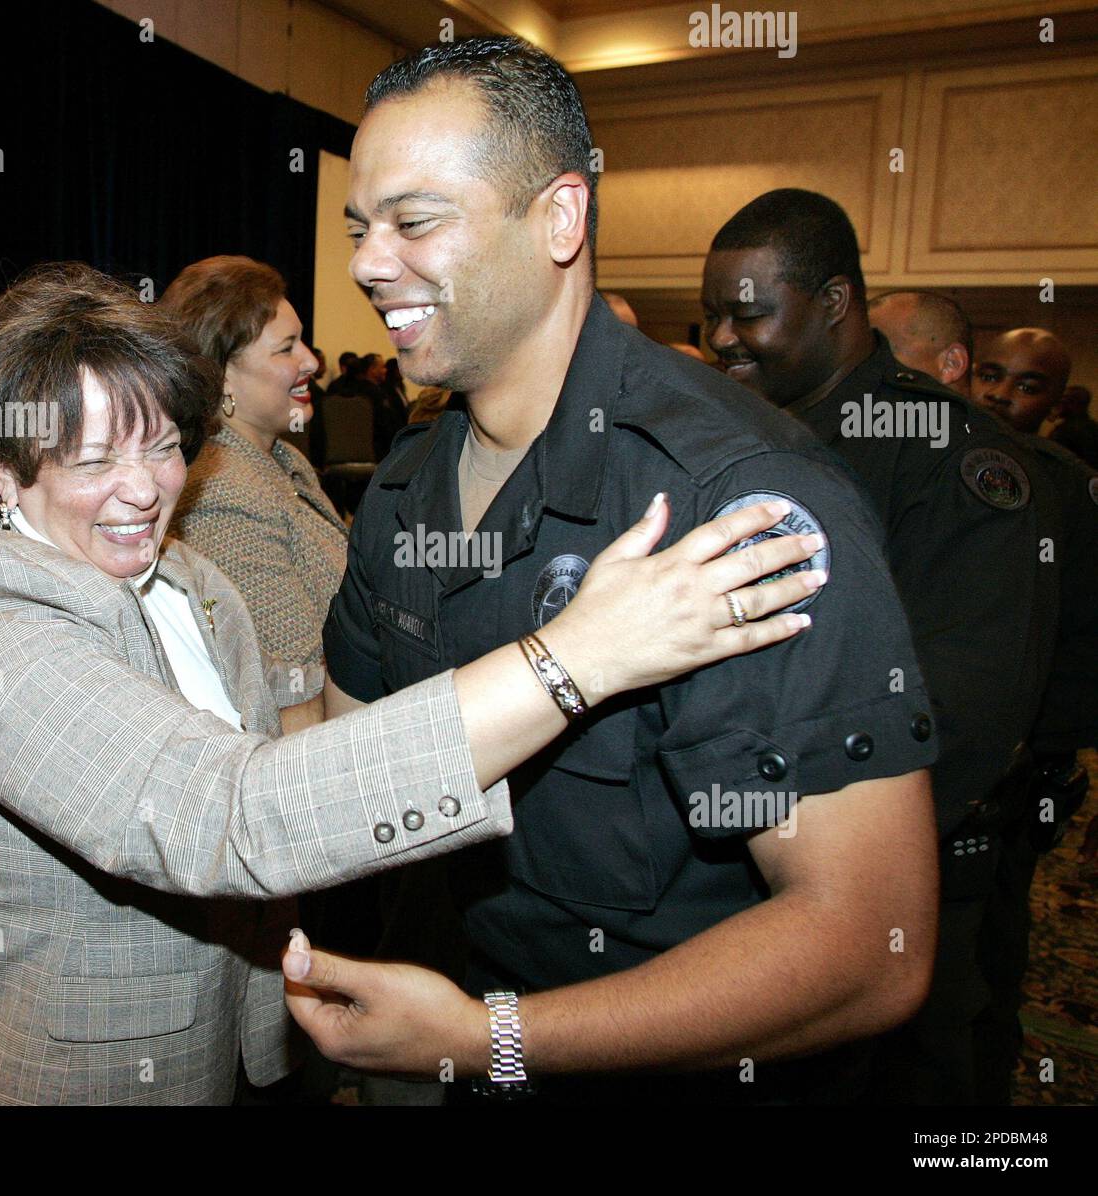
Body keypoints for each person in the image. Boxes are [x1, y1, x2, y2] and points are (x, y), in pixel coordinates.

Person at [0, 261, 817, 1105]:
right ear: (5, 470)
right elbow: (225, 815)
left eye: (164, 446)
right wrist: (580, 658)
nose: (143, 491)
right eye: (93, 461)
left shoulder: (192, 582)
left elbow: (286, 753)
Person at [285, 37, 939, 1106]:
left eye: (415, 221)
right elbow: (346, 758)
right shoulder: (407, 483)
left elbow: (868, 942)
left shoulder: (735, 501)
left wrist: (492, 1038)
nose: (365, 262)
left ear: (558, 218)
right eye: (361, 229)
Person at [704, 192, 1059, 1104]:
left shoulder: (947, 458)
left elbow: (966, 706)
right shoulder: (732, 441)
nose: (722, 338)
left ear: (831, 303)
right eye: (711, 315)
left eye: (749, 312)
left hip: (896, 881)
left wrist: (793, 833)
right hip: (740, 865)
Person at [870, 291, 1098, 1102]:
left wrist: (1041, 771)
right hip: (934, 784)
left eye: (1025, 383)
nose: (1003, 394)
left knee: (971, 992)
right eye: (996, 375)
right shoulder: (919, 462)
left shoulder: (1052, 484)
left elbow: (1067, 649)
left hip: (1000, 788)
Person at [161, 255, 345, 667]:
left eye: (302, 341)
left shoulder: (283, 457)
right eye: (286, 349)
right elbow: (296, 674)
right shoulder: (219, 494)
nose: (312, 361)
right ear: (221, 377)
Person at [1048, 385, 1098, 469]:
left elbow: (1051, 462)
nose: (1058, 404)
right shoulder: (1093, 427)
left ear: (1073, 403)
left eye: (1062, 401)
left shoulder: (1065, 431)